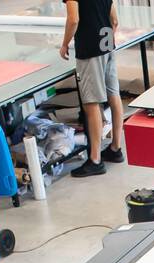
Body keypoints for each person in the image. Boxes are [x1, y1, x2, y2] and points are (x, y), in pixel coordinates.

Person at [61, 0, 126, 178]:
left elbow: (73, 19)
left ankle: (95, 160)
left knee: (91, 103)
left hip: (90, 49)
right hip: (107, 43)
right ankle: (115, 148)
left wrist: (65, 43)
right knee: (114, 95)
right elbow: (114, 19)